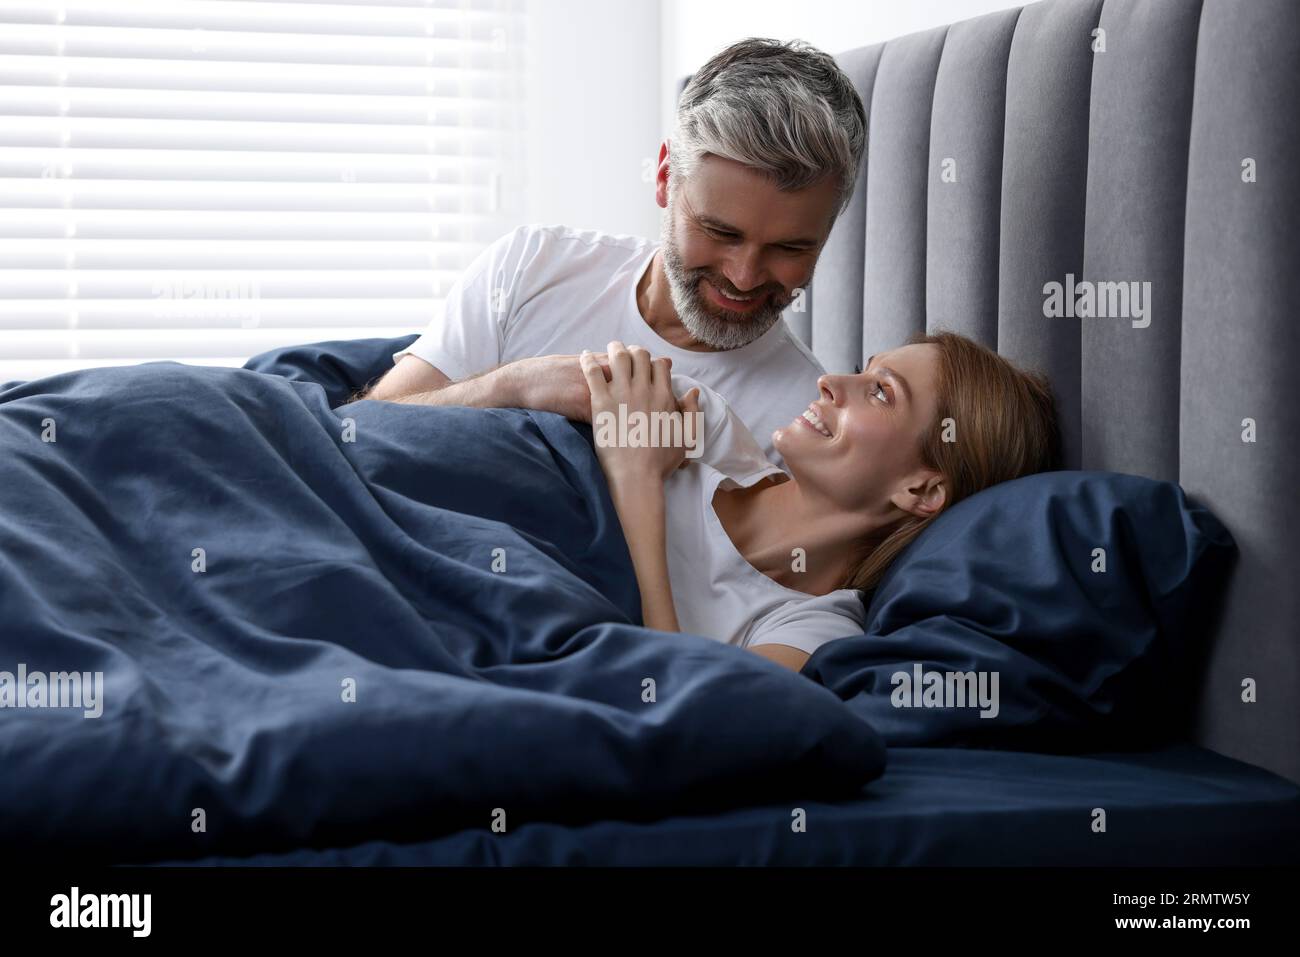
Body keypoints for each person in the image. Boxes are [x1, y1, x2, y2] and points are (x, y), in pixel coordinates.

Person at [361, 37, 867, 467]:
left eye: (790, 247)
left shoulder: (807, 428)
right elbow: (361, 432)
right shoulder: (530, 267)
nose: (744, 275)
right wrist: (513, 387)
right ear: (665, 178)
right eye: (720, 232)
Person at [579, 331, 1063, 674]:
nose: (830, 381)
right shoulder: (707, 428)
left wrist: (637, 480)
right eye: (862, 370)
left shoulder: (813, 633)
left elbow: (675, 724)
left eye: (880, 393)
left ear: (921, 489)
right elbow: (509, 396)